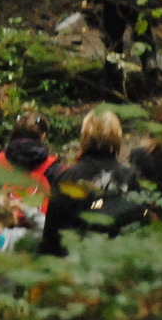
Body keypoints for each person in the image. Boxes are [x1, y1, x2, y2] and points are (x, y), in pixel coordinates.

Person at [39, 109, 143, 255]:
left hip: (75, 260)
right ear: (117, 136)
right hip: (118, 259)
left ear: (84, 136)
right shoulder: (128, 177)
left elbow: (52, 235)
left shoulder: (69, 177)